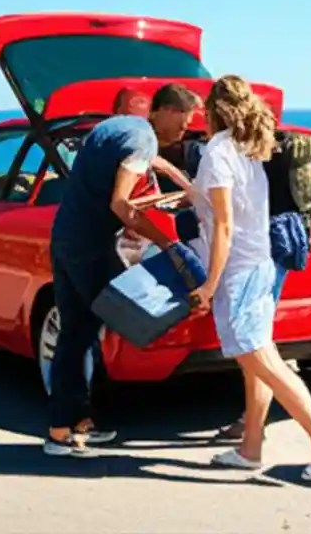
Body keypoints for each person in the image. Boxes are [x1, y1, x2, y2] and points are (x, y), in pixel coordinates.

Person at [185, 75, 311, 480]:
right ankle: (250, 448)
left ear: (213, 112)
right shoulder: (247, 148)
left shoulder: (218, 153)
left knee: (263, 362)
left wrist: (208, 285)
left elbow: (223, 225)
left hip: (238, 270)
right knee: (260, 359)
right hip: (259, 263)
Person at [44, 82, 201, 457]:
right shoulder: (142, 140)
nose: (182, 133)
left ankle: (73, 425)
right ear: (167, 111)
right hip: (91, 247)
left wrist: (187, 186)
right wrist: (166, 244)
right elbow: (120, 203)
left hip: (65, 239)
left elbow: (144, 164)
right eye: (183, 125)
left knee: (78, 333)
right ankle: (63, 429)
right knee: (121, 319)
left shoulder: (121, 127)